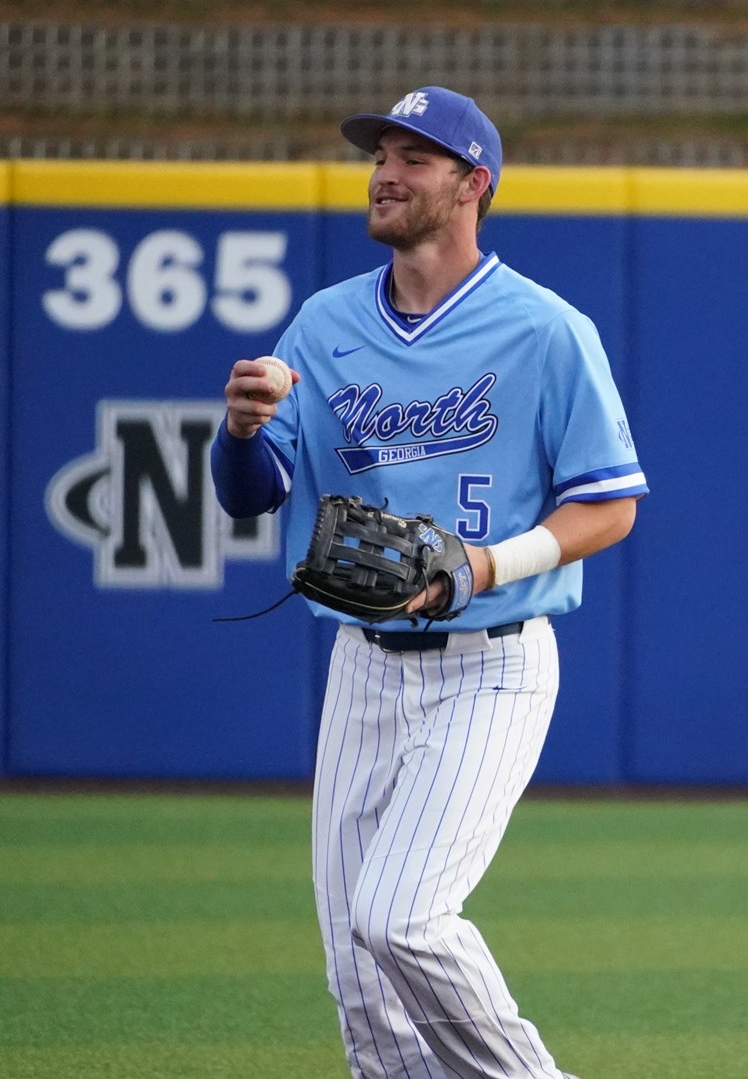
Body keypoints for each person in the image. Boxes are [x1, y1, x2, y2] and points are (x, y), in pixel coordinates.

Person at [211, 86, 646, 1079]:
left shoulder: (546, 328)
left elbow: (610, 505)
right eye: (380, 154)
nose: (386, 173)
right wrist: (238, 431)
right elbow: (251, 493)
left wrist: (488, 563)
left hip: (492, 661)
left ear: (472, 183)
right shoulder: (322, 324)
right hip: (363, 663)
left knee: (400, 915)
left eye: (414, 157)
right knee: (356, 969)